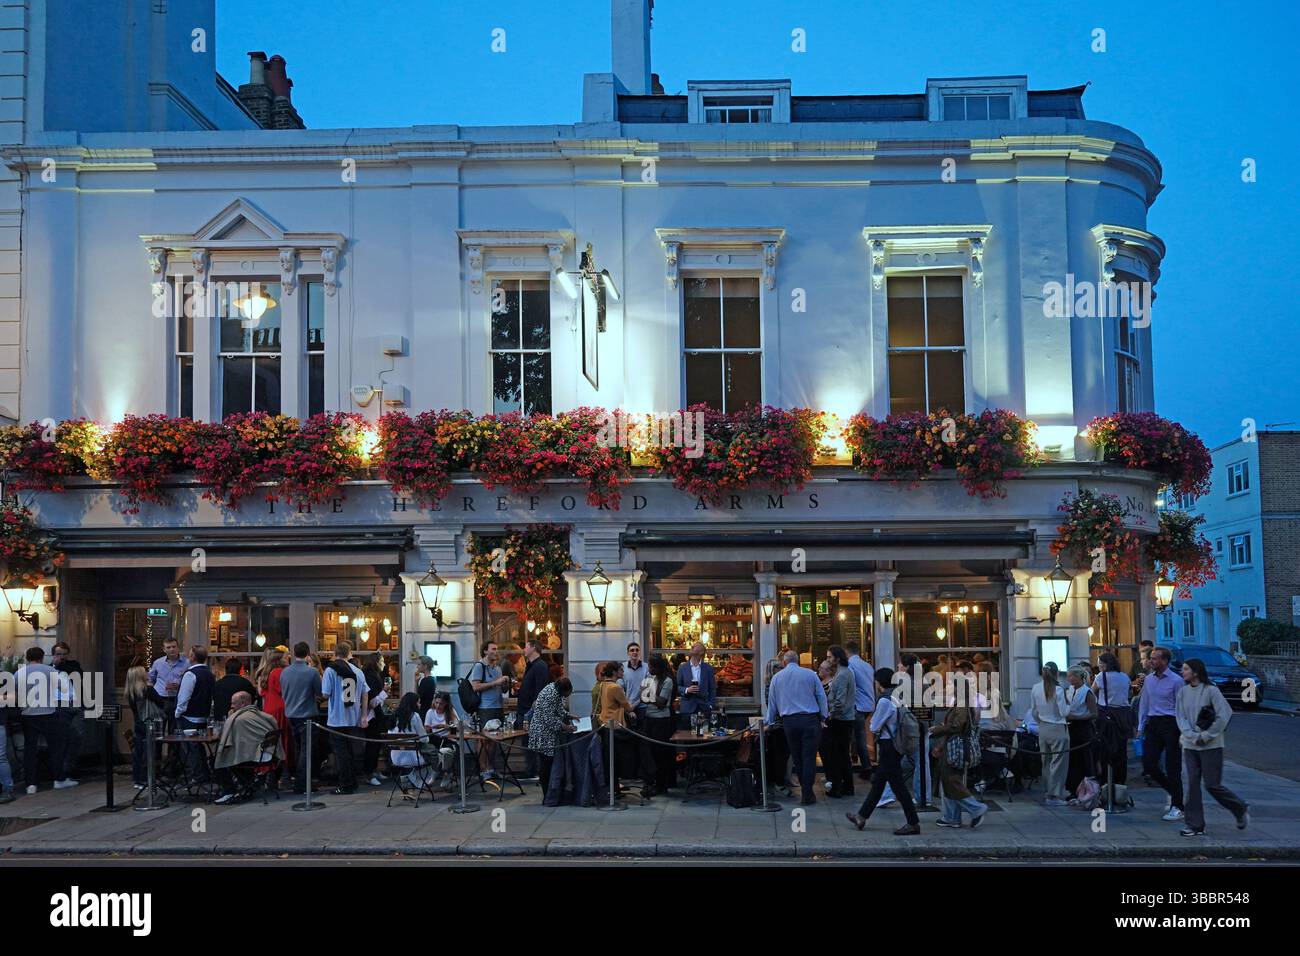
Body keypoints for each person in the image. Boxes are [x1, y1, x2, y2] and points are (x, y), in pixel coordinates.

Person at [1176, 658, 1249, 836]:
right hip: (1190, 745)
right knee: (1192, 784)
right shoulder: (1183, 692)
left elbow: (1224, 715)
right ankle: (1195, 825)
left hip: (1211, 746)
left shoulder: (1211, 691)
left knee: (1212, 785)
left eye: (1186, 669)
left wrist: (1206, 736)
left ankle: (1239, 808)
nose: (1182, 672)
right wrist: (1191, 735)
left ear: (1196, 672)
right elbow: (1180, 716)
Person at [844, 668, 921, 835]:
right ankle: (861, 816)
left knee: (898, 786)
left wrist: (873, 725)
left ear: (879, 683)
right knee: (878, 783)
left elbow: (874, 725)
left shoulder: (885, 701)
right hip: (893, 745)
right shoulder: (896, 696)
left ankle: (913, 822)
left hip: (889, 746)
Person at [765, 650, 828, 805]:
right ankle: (807, 792)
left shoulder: (777, 678)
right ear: (798, 661)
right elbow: (821, 696)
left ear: (784, 662)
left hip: (790, 722)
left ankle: (806, 791)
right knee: (809, 757)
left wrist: (769, 722)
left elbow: (772, 704)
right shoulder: (810, 675)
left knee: (798, 758)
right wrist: (823, 716)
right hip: (810, 719)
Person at [928, 670, 987, 828]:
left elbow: (957, 725)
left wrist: (937, 730)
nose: (949, 687)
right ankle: (952, 817)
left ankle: (976, 808)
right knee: (949, 782)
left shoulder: (961, 703)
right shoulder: (962, 702)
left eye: (951, 684)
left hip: (956, 748)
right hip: (953, 746)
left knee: (951, 781)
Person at [593, 661, 655, 798]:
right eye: (621, 670)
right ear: (615, 672)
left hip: (605, 725)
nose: (623, 673)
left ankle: (614, 788)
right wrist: (642, 694)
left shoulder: (603, 684)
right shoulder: (615, 687)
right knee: (639, 745)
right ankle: (645, 777)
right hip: (616, 727)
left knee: (611, 759)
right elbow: (629, 707)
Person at [1138, 646, 1186, 821]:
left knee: (1173, 766)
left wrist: (1183, 730)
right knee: (1149, 764)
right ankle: (1174, 792)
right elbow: (1144, 702)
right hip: (1153, 722)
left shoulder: (1176, 681)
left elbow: (1181, 707)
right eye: (1151, 658)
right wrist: (1140, 726)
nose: (1151, 661)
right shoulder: (1149, 680)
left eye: (1155, 658)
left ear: (1165, 661)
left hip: (1171, 722)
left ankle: (1177, 805)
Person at [213, 690, 282, 804]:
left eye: (234, 703)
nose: (231, 706)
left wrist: (231, 717)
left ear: (243, 703)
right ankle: (247, 786)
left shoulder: (239, 719)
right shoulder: (258, 714)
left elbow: (227, 739)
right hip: (268, 753)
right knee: (233, 756)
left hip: (257, 756)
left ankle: (229, 791)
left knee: (219, 760)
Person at [321, 642, 367, 794]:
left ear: (335, 653)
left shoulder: (330, 670)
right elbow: (365, 693)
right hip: (352, 716)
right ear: (349, 653)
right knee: (349, 751)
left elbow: (326, 694)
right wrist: (363, 714)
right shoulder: (357, 671)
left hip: (336, 717)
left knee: (341, 753)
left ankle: (345, 784)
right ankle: (352, 781)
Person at [280, 642, 323, 794]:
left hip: (291, 714)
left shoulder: (285, 672)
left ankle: (301, 782)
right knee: (307, 750)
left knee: (298, 749)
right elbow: (320, 693)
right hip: (307, 715)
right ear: (307, 653)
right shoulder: (311, 672)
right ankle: (302, 784)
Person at [1092, 652, 1133, 796]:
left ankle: (1106, 786)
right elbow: (1127, 694)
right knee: (1121, 752)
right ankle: (1120, 784)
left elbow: (1092, 693)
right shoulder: (1125, 677)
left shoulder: (1101, 677)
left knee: (1106, 752)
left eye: (1099, 663)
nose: (1098, 666)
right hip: (1124, 716)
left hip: (1107, 716)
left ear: (1104, 664)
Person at [528, 678, 574, 801]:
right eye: (567, 694)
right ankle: (547, 795)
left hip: (544, 732)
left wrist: (569, 715)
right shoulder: (550, 695)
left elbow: (558, 709)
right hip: (542, 733)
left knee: (547, 763)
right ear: (563, 690)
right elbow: (549, 719)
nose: (567, 696)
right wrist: (566, 727)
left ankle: (550, 793)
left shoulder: (554, 690)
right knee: (546, 764)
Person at [174, 645, 215, 785]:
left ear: (192, 657)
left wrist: (178, 713)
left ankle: (197, 775)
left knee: (191, 748)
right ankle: (204, 773)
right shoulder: (209, 674)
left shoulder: (190, 674)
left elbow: (184, 696)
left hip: (189, 716)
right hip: (203, 715)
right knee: (199, 746)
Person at [1030, 662, 1069, 805]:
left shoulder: (1035, 688)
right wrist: (1070, 703)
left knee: (1045, 762)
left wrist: (1040, 722)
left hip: (1043, 728)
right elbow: (1064, 712)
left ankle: (1048, 792)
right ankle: (1055, 795)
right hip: (1058, 727)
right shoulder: (1058, 690)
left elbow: (1033, 711)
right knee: (1058, 763)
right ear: (1056, 673)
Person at [469, 642, 509, 781]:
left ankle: (491, 768)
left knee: (494, 740)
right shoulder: (480, 666)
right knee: (484, 740)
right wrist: (496, 683)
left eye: (497, 649)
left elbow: (501, 689)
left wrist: (505, 684)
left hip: (498, 706)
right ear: (485, 651)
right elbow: (475, 686)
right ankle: (483, 770)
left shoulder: (498, 668)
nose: (496, 651)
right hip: (485, 708)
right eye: (493, 649)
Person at [515, 638, 552, 782]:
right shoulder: (530, 665)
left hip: (531, 710)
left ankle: (532, 771)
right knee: (527, 741)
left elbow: (541, 688)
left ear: (533, 648)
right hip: (525, 708)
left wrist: (534, 708)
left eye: (526, 647)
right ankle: (529, 769)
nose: (524, 649)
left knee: (531, 741)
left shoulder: (540, 665)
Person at [823, 646, 856, 799]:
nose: (828, 660)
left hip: (840, 720)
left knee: (836, 754)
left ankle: (838, 787)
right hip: (844, 719)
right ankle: (847, 786)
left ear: (837, 658)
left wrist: (830, 715)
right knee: (843, 754)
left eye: (830, 657)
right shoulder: (844, 673)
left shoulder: (842, 675)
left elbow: (840, 701)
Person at [125, 664, 164, 789]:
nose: (147, 673)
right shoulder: (148, 690)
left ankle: (138, 778)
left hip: (138, 723)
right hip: (150, 723)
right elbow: (161, 703)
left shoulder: (130, 693)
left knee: (139, 751)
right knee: (148, 752)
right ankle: (146, 778)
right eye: (144, 672)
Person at [643, 654, 677, 792]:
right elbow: (643, 699)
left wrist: (649, 693)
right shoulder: (651, 679)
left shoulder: (668, 681)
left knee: (661, 752)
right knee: (650, 752)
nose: (649, 668)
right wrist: (650, 696)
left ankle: (663, 783)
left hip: (662, 720)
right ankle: (653, 780)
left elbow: (661, 703)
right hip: (649, 718)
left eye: (651, 666)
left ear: (657, 667)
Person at [1062, 664, 1098, 796]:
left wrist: (1076, 717)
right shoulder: (1070, 690)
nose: (1069, 679)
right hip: (1071, 727)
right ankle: (1073, 788)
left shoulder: (1087, 692)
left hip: (1083, 728)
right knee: (1073, 760)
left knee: (1084, 759)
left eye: (1071, 676)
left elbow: (1094, 713)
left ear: (1078, 677)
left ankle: (1088, 788)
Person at [50, 641, 84, 780]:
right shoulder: (48, 669)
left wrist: (61, 665)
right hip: (60, 707)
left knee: (77, 737)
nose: (62, 657)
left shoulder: (73, 665)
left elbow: (78, 674)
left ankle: (70, 768)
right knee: (64, 739)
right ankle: (63, 772)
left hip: (76, 705)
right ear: (53, 655)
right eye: (58, 654)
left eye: (64, 654)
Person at [845, 640, 875, 780]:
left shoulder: (850, 665)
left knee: (859, 736)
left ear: (847, 652)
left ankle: (866, 766)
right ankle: (854, 756)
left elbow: (849, 684)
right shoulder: (868, 665)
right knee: (856, 734)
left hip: (858, 705)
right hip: (869, 704)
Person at [147, 637, 188, 730]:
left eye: (174, 647)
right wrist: (152, 694)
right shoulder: (158, 663)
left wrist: (180, 686)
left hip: (177, 700)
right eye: (168, 647)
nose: (172, 649)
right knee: (158, 729)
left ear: (178, 648)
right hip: (161, 700)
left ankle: (172, 745)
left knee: (174, 730)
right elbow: (150, 679)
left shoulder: (186, 663)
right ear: (164, 649)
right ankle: (158, 744)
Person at [361, 654, 389, 787]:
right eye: (382, 661)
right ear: (376, 662)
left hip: (375, 715)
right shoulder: (371, 677)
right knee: (372, 746)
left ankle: (373, 770)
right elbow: (372, 702)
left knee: (376, 745)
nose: (384, 663)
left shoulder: (372, 676)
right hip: (371, 716)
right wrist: (384, 692)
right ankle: (369, 772)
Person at [676, 642, 716, 727]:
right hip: (687, 709)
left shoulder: (708, 669)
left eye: (695, 646)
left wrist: (710, 705)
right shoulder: (682, 668)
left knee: (704, 737)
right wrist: (687, 690)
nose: (692, 646)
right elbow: (677, 686)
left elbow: (712, 689)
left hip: (704, 709)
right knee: (686, 736)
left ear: (701, 652)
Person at [213, 657, 257, 722]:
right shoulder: (246, 683)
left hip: (220, 719)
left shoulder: (218, 684)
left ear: (226, 669)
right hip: (241, 719)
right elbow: (252, 700)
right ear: (239, 670)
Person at [619, 642, 649, 725]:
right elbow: (620, 690)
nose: (634, 652)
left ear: (640, 652)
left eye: (637, 650)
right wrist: (627, 707)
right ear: (628, 653)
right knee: (628, 734)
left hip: (643, 706)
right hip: (627, 707)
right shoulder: (623, 667)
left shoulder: (646, 667)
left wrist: (634, 705)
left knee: (643, 733)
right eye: (632, 650)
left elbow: (647, 689)